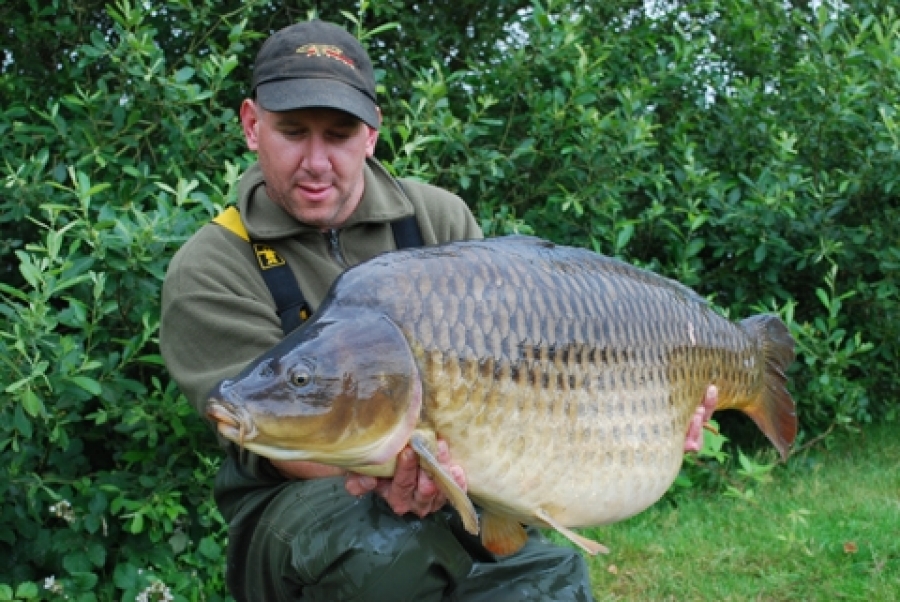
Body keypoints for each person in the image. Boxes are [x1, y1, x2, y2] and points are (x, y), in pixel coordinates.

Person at [160, 19, 717, 601]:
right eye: (293, 132)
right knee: (381, 552)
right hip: (296, 514)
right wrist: (398, 473)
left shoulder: (435, 220)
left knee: (546, 584)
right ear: (252, 125)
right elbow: (271, 427)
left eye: (340, 134)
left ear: (371, 134)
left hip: (454, 490)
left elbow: (530, 372)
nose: (317, 161)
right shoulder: (212, 265)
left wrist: (646, 415)